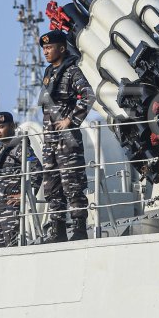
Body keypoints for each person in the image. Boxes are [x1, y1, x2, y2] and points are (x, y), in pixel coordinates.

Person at [37, 31, 96, 242]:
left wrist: (70, 120)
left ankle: (79, 228)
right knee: (52, 187)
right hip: (50, 141)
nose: (45, 51)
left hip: (66, 140)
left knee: (72, 183)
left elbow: (88, 95)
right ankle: (58, 230)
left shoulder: (71, 72)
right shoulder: (49, 73)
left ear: (62, 48)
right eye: (44, 48)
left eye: (49, 47)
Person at [0, 111, 41, 247]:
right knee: (1, 250)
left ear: (11, 126)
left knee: (12, 246)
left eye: (1, 127)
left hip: (11, 208)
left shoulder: (20, 147)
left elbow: (37, 170)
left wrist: (24, 195)